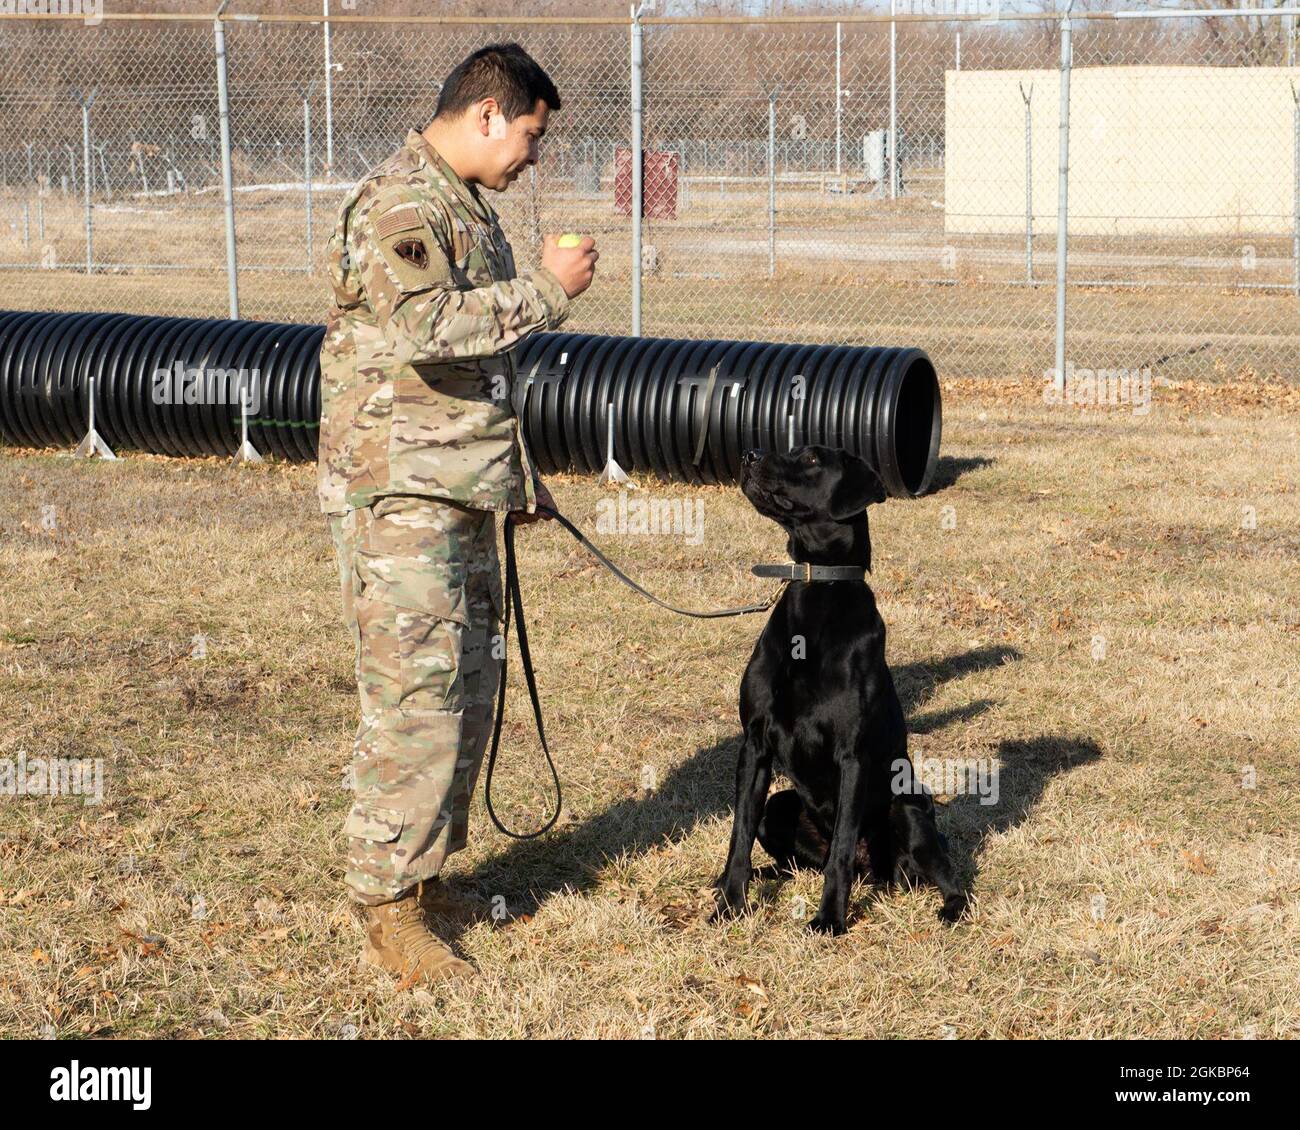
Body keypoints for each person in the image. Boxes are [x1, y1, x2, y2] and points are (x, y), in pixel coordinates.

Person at [317, 42, 598, 986]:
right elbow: (423, 329)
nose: (531, 156)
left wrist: (514, 478)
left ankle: (427, 881)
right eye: (529, 135)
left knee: (466, 691)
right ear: (487, 114)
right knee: (415, 704)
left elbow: (479, 379)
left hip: (458, 487)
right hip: (402, 494)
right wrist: (551, 293)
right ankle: (387, 908)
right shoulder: (404, 202)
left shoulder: (463, 205)